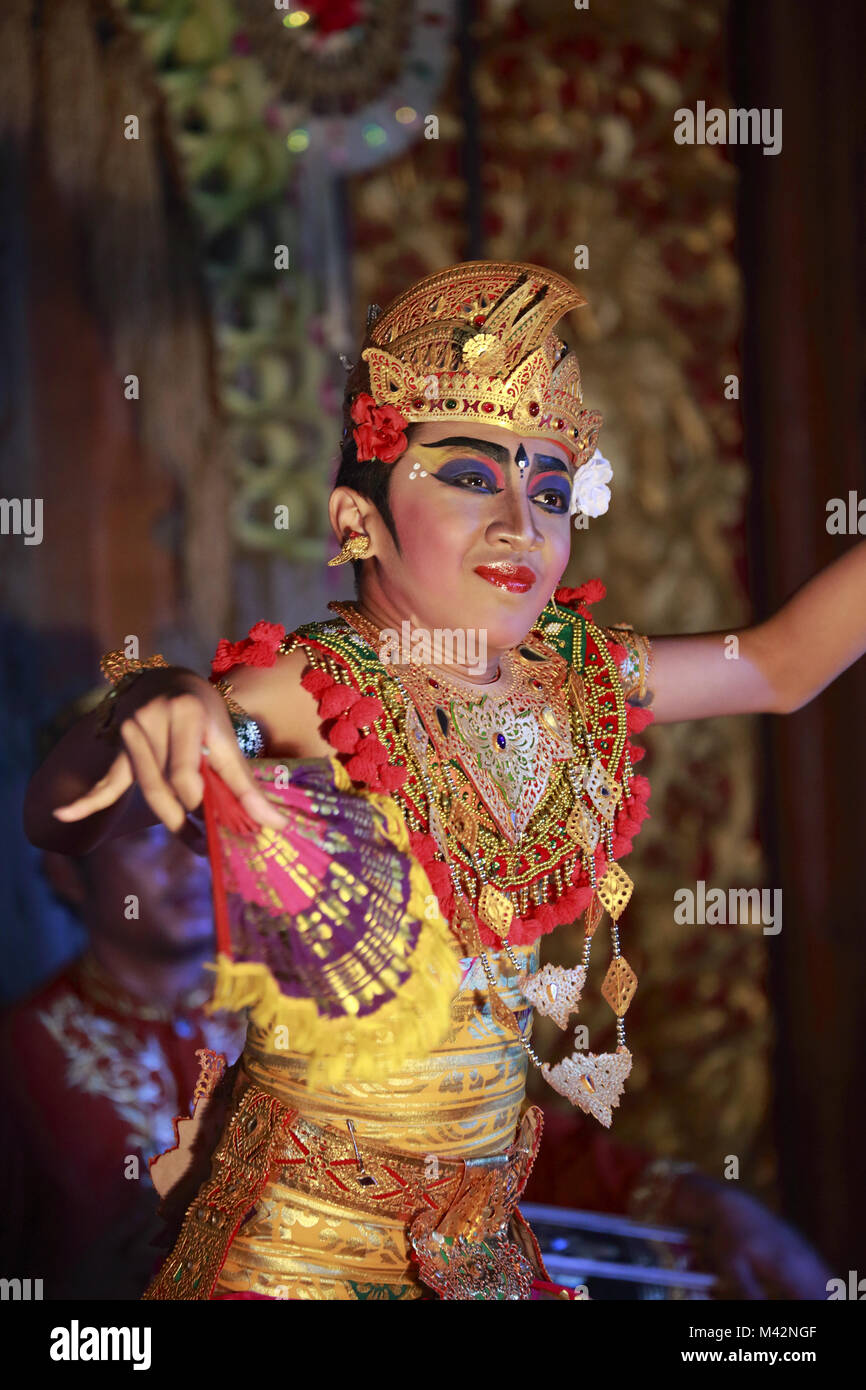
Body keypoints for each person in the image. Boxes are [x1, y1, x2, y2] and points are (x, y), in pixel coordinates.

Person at [23, 260, 866, 1301]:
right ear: (357, 521)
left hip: (474, 1254)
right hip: (300, 1253)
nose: (521, 522)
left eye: (550, 490)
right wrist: (154, 696)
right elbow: (60, 817)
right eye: (469, 477)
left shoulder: (574, 682)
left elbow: (782, 666)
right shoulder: (316, 688)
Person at [0, 803, 245, 1299]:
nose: (190, 860)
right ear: (67, 872)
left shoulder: (289, 1021)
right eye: (148, 837)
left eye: (200, 830)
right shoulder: (19, 1056)